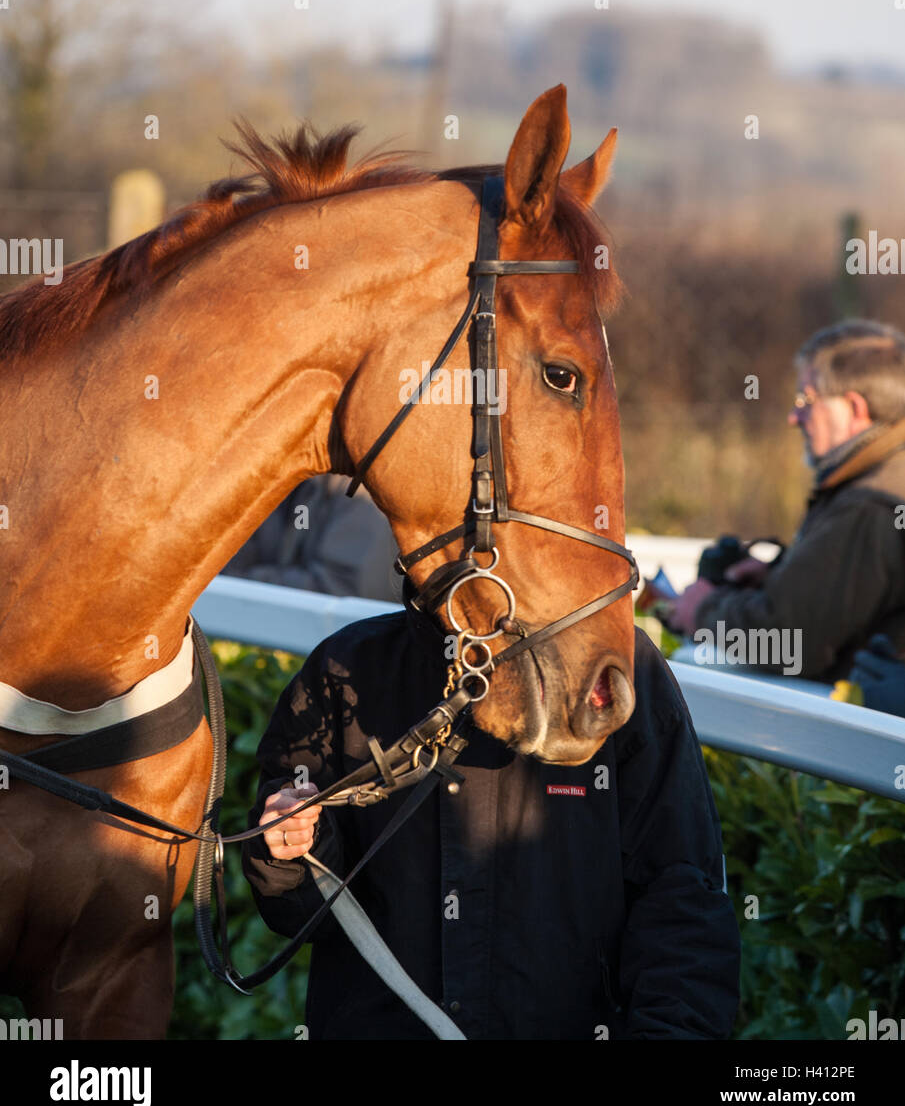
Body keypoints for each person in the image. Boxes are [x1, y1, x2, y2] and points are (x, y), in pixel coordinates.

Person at [240, 575, 741, 1041]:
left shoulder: (618, 668)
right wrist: (287, 849)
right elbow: (296, 916)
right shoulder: (344, 666)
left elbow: (683, 899)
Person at [669, 320, 905, 683]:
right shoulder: (883, 481)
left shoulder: (868, 506)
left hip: (866, 732)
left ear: (855, 408)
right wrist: (781, 575)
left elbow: (791, 643)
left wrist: (702, 611)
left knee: (685, 672)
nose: (794, 418)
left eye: (805, 401)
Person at [221, 472, 403, 603]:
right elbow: (230, 555)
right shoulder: (280, 479)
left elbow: (340, 588)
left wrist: (240, 580)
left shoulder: (365, 491)